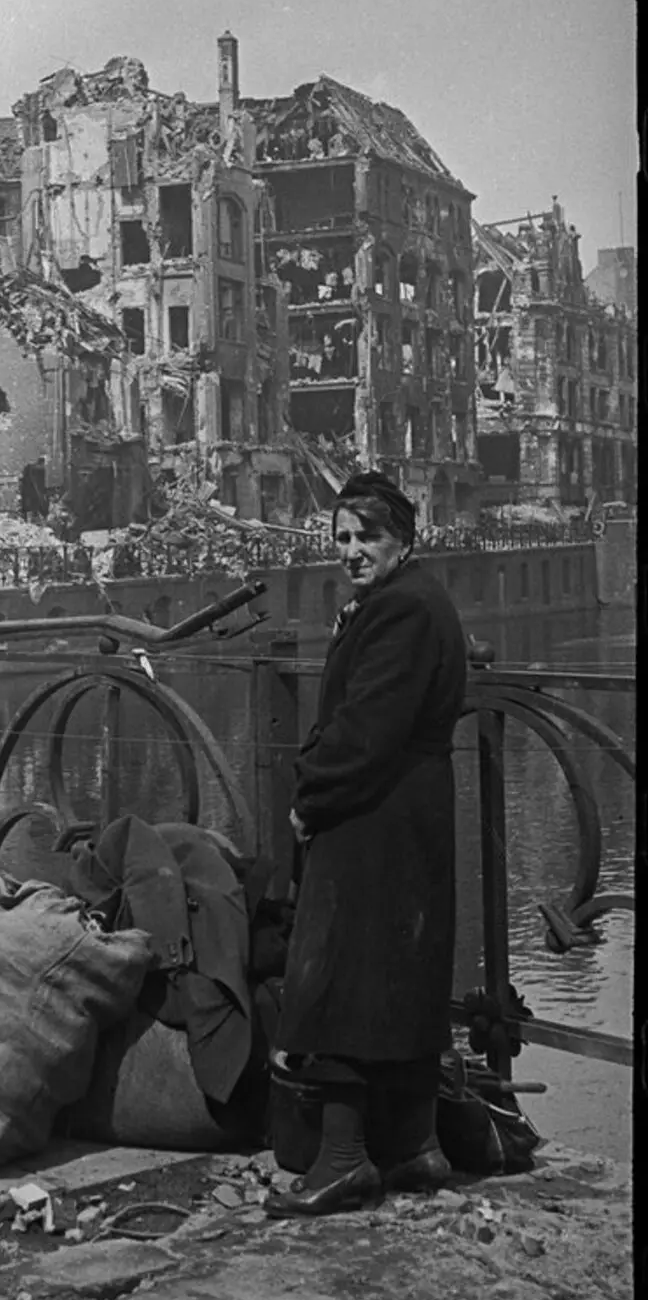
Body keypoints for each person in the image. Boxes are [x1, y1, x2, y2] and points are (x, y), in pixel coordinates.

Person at [265, 471, 467, 1218]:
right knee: (400, 971)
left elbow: (365, 729)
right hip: (408, 810)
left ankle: (343, 1159)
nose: (351, 551)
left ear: (404, 540)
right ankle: (415, 1145)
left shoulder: (402, 611)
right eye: (342, 538)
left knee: (341, 972)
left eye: (367, 537)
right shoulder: (407, 600)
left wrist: (310, 794)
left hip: (374, 812)